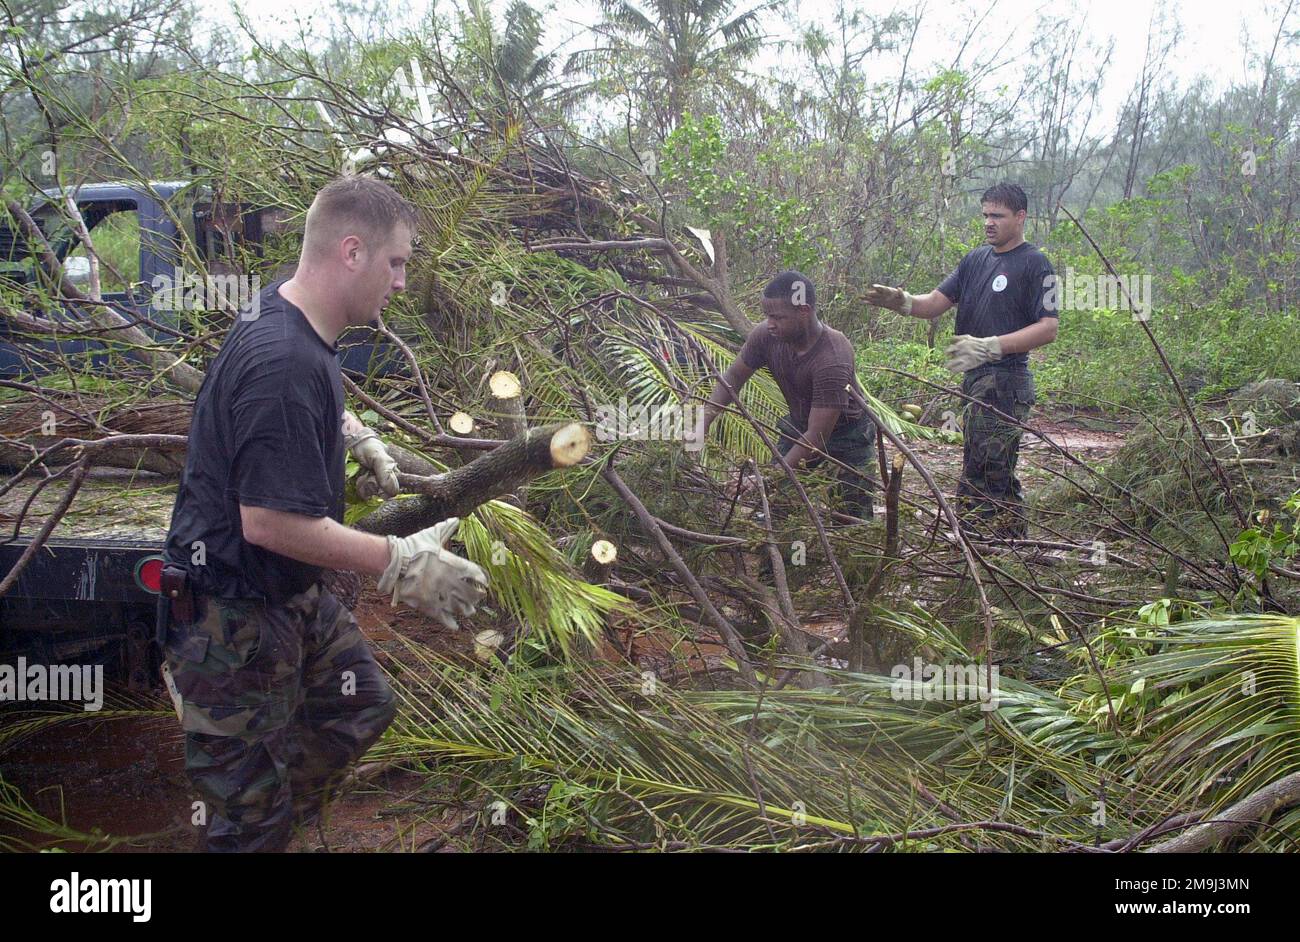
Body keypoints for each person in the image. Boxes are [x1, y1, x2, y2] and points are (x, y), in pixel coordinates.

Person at [158, 175, 488, 852]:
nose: (401, 281)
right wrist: (399, 561)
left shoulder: (289, 315)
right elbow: (268, 523)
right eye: (395, 262)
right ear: (350, 253)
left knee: (358, 705)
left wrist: (353, 432)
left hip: (288, 595)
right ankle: (261, 824)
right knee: (246, 824)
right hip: (233, 615)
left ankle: (280, 818)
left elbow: (302, 400)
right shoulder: (282, 360)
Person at [865, 182, 1057, 538]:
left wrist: (990, 346)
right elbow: (934, 303)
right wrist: (901, 301)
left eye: (997, 216)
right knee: (975, 464)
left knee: (994, 470)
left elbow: (1048, 328)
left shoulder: (1035, 264)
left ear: (1020, 217)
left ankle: (1002, 552)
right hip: (973, 381)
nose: (988, 222)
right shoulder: (975, 260)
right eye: (985, 214)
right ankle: (979, 543)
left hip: (1006, 381)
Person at [696, 270, 875, 521]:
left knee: (850, 518)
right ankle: (780, 555)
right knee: (779, 507)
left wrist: (770, 475)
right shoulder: (766, 336)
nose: (770, 323)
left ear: (804, 311)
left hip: (847, 437)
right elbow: (733, 378)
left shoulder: (832, 357)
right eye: (767, 315)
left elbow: (816, 436)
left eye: (778, 317)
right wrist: (703, 422)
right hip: (800, 425)